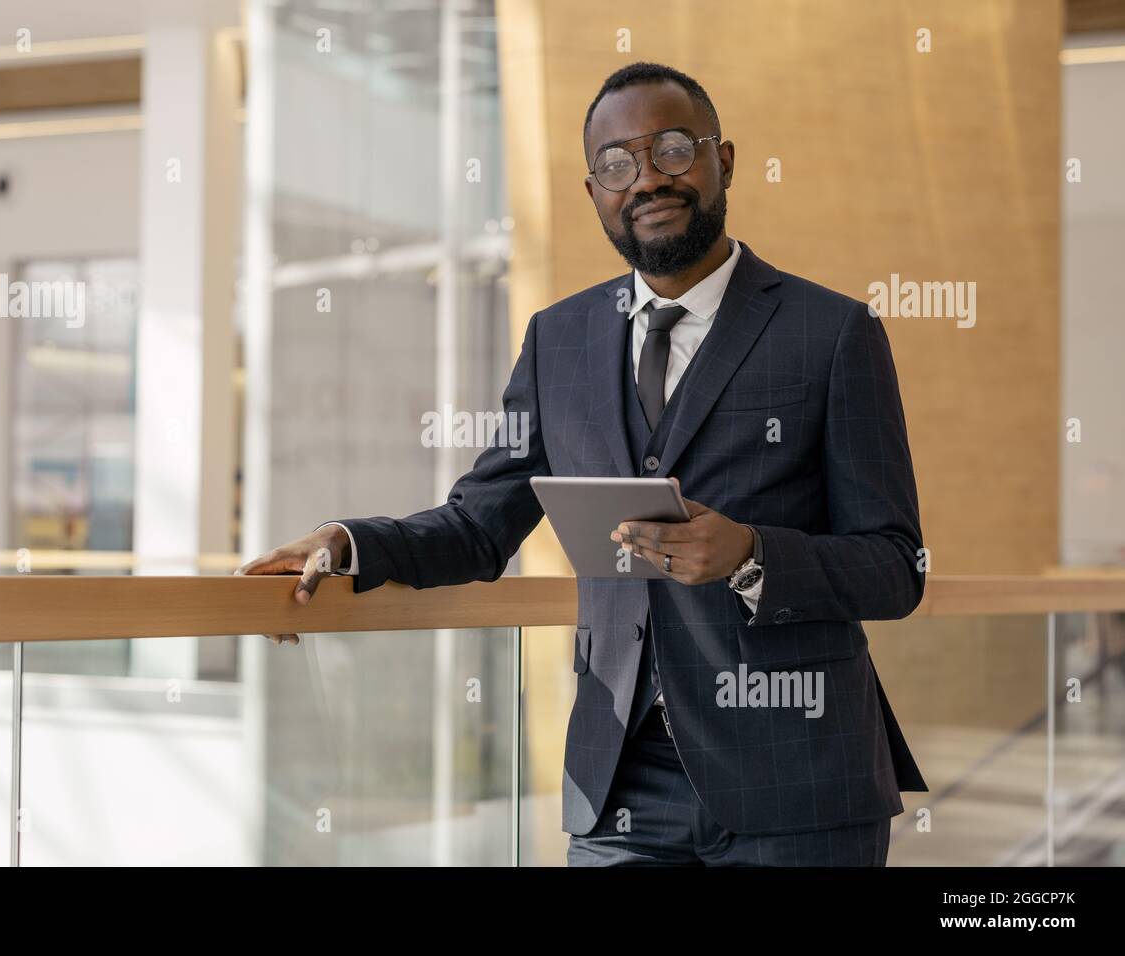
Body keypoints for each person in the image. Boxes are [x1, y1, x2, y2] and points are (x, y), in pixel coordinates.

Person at [238, 61, 927, 867]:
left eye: (673, 149)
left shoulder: (834, 332)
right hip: (621, 787)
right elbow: (477, 525)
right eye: (616, 164)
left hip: (799, 786)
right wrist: (349, 542)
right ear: (594, 188)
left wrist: (751, 555)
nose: (647, 179)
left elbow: (894, 565)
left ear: (724, 160)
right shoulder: (557, 340)